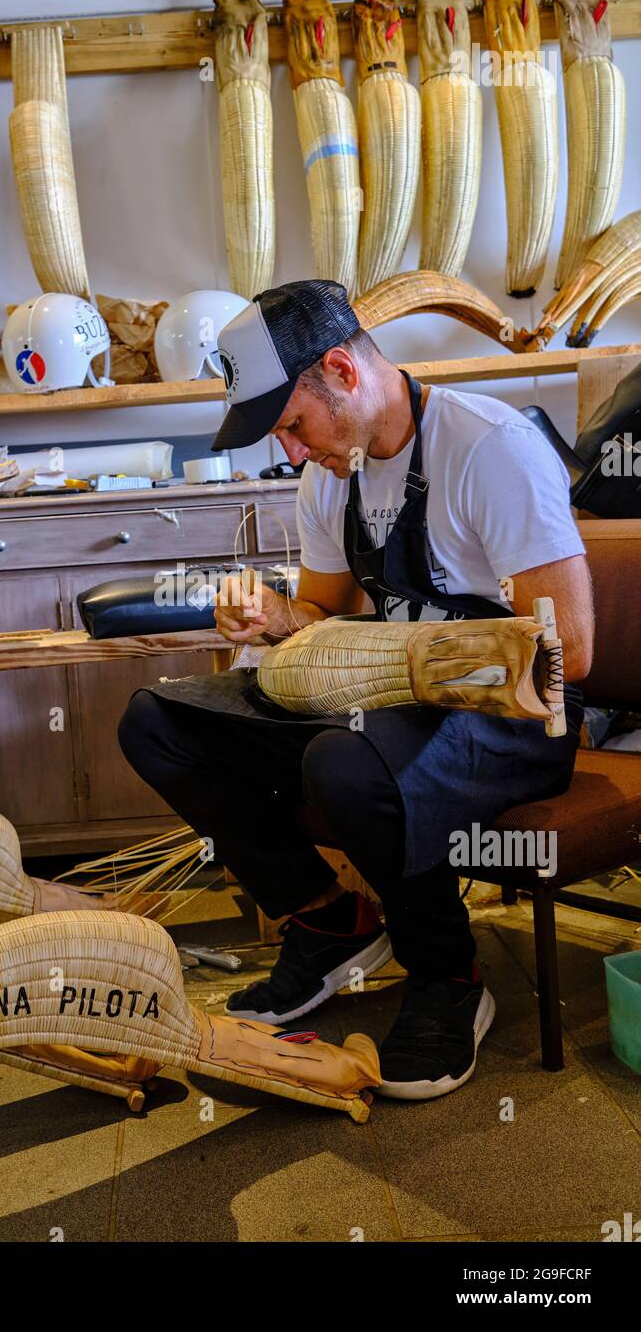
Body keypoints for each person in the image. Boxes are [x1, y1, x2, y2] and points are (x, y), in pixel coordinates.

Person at [118, 280, 594, 1101]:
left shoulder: (488, 447)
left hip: (514, 714)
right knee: (157, 721)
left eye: (294, 426)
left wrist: (404, 656)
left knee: (343, 762)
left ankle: (448, 977)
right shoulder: (329, 479)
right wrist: (273, 617)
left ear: (341, 370)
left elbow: (571, 650)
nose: (293, 452)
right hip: (380, 703)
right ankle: (328, 925)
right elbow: (322, 615)